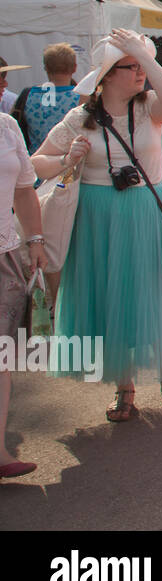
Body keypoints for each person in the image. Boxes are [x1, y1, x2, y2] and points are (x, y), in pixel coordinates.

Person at [31, 29, 162, 421]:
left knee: (152, 292)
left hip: (145, 210)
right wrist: (66, 161)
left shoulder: (151, 107)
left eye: (143, 66)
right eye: (131, 67)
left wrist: (144, 54)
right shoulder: (79, 119)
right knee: (109, 296)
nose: (140, 73)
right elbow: (37, 163)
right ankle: (125, 389)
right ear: (106, 76)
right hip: (97, 215)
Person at [1, 108, 44, 478]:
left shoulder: (7, 126)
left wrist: (35, 240)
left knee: (2, 358)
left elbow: (24, 190)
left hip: (5, 256)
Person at [11, 43, 80, 154]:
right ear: (74, 68)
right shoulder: (82, 98)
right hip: (71, 164)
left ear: (46, 67)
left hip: (35, 163)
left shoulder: (27, 95)